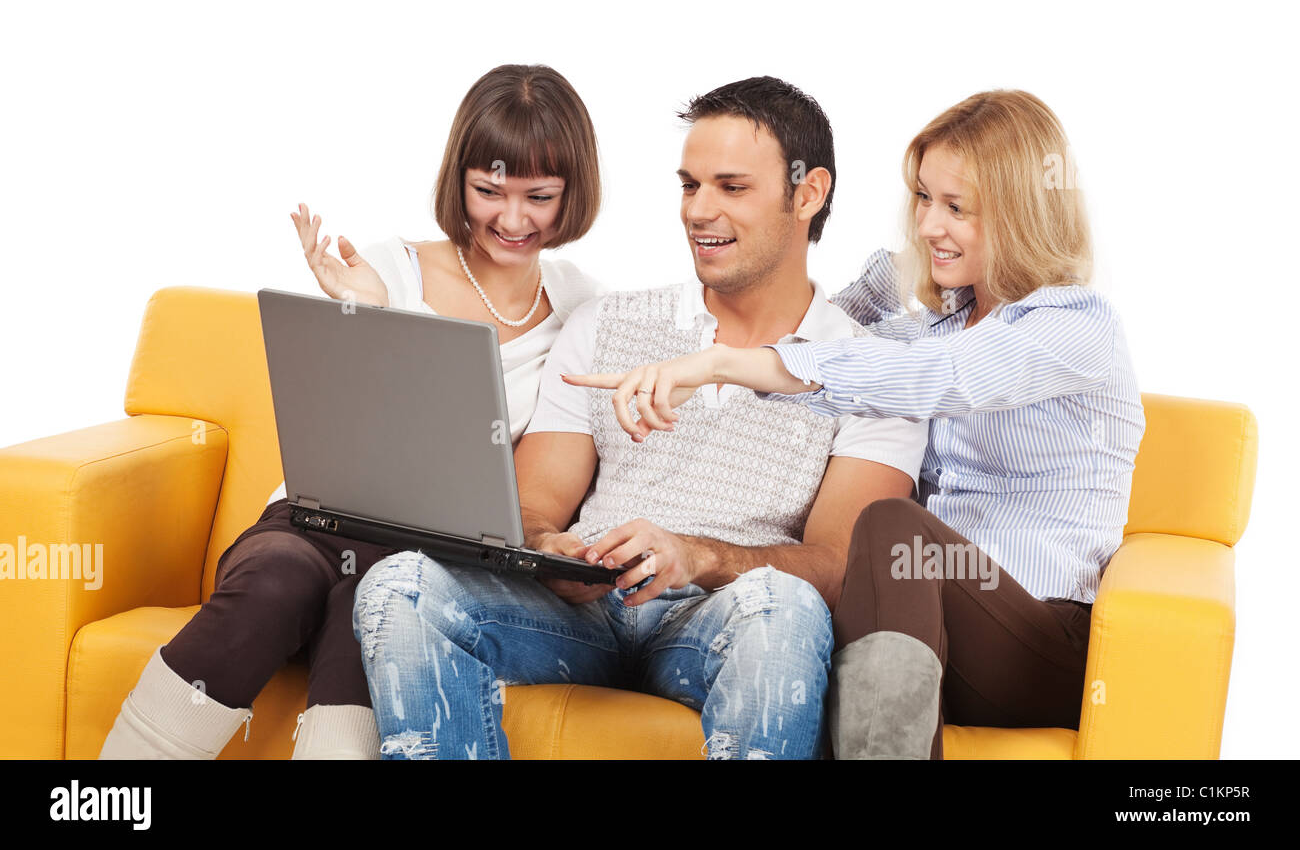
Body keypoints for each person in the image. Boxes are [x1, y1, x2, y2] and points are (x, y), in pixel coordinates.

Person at [352, 76, 929, 760]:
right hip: (581, 612)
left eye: (731, 188)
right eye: (690, 186)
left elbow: (835, 567)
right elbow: (535, 503)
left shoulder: (868, 372)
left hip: (719, 617)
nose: (699, 210)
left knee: (786, 609)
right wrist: (548, 550)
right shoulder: (605, 323)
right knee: (399, 585)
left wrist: (699, 556)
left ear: (808, 193)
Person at [567, 89, 1145, 760]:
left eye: (957, 208)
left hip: (1038, 641)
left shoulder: (1075, 327)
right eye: (924, 198)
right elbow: (822, 330)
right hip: (924, 633)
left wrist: (722, 362)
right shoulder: (932, 322)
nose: (929, 225)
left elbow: (939, 377)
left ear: (1022, 211)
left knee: (889, 526)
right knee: (818, 603)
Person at [98, 64, 605, 760]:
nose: (511, 220)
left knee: (374, 606)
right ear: (459, 180)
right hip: (317, 522)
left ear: (572, 193)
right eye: (488, 191)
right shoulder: (389, 268)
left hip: (434, 563)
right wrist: (363, 316)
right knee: (279, 576)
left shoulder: (585, 309)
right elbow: (338, 423)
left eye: (539, 197)